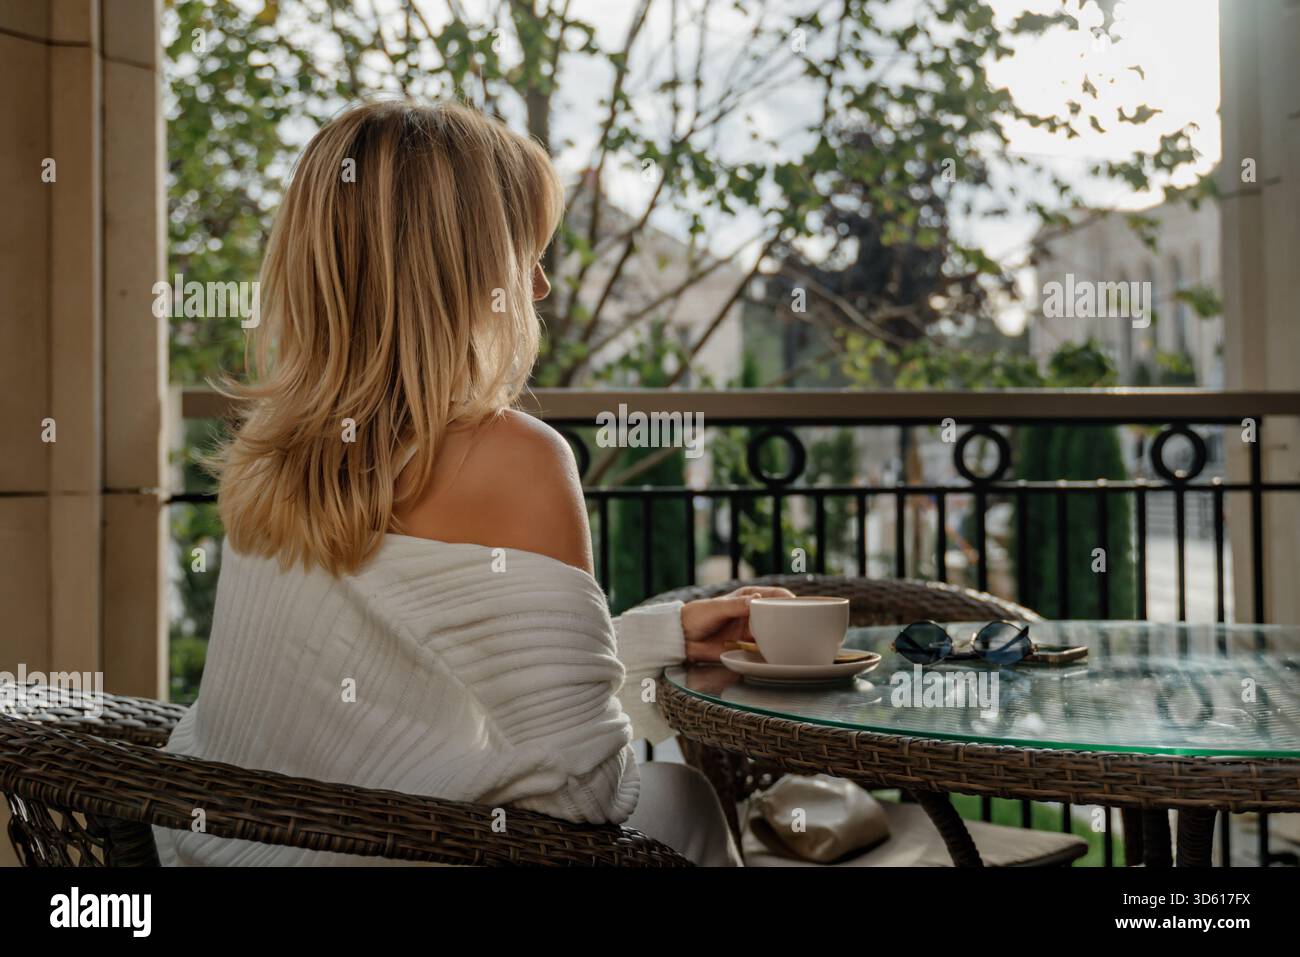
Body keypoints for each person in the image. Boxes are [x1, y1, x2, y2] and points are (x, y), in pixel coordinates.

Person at [155, 99, 791, 866]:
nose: (543, 286)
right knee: (680, 798)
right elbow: (582, 791)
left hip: (214, 849)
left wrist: (661, 643)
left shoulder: (274, 450)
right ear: (464, 273)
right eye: (525, 251)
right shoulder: (512, 456)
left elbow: (415, 703)